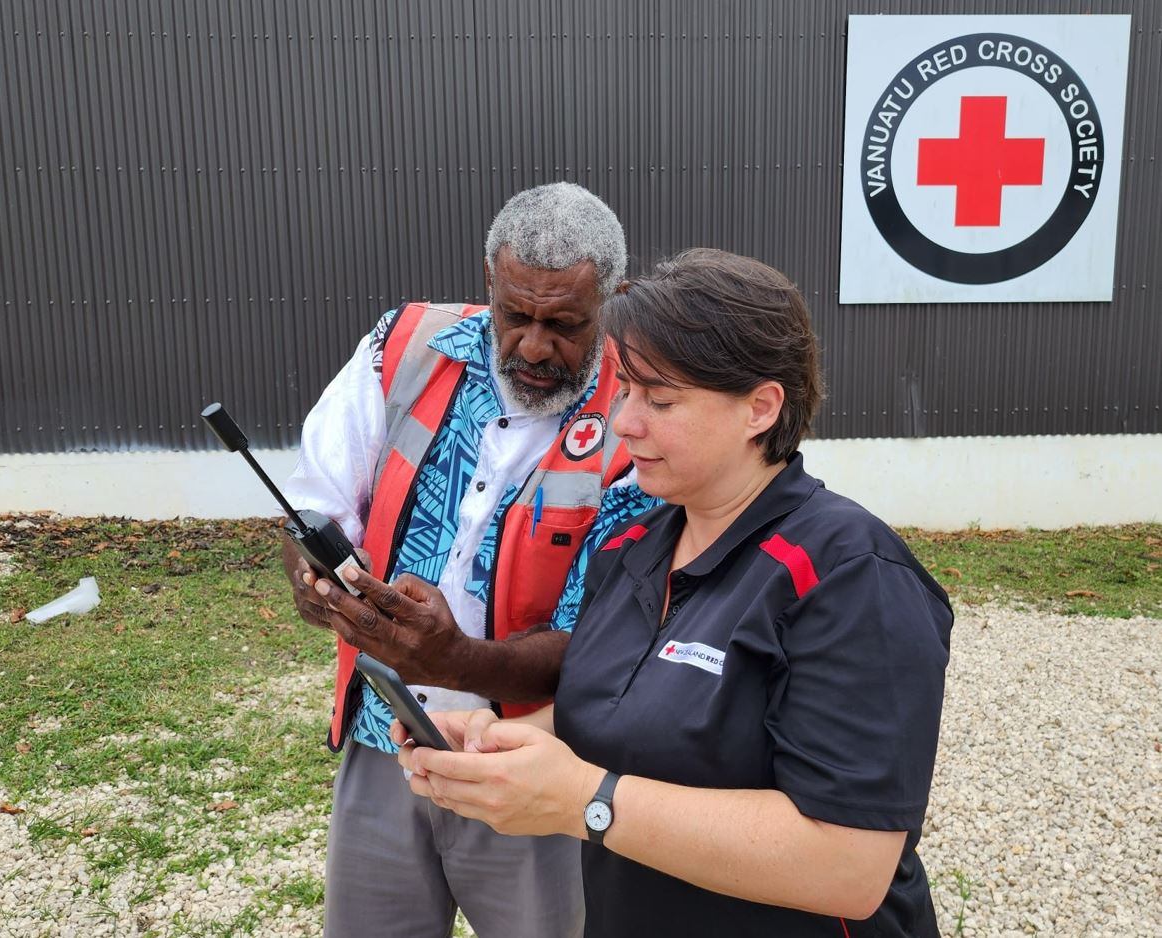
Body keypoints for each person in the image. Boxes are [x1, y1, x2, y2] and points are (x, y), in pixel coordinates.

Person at [395, 249, 954, 937]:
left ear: (760, 408)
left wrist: (586, 801)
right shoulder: (632, 547)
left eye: (659, 400)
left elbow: (848, 865)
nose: (624, 423)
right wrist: (493, 741)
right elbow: (614, 709)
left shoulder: (850, 572)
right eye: (624, 391)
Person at [281, 182, 657, 938]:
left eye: (565, 325)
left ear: (611, 301)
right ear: (489, 280)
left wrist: (454, 660)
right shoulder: (404, 347)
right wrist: (311, 574)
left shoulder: (640, 417)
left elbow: (602, 645)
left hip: (535, 760)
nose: (534, 347)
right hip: (384, 738)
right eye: (515, 315)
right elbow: (314, 505)